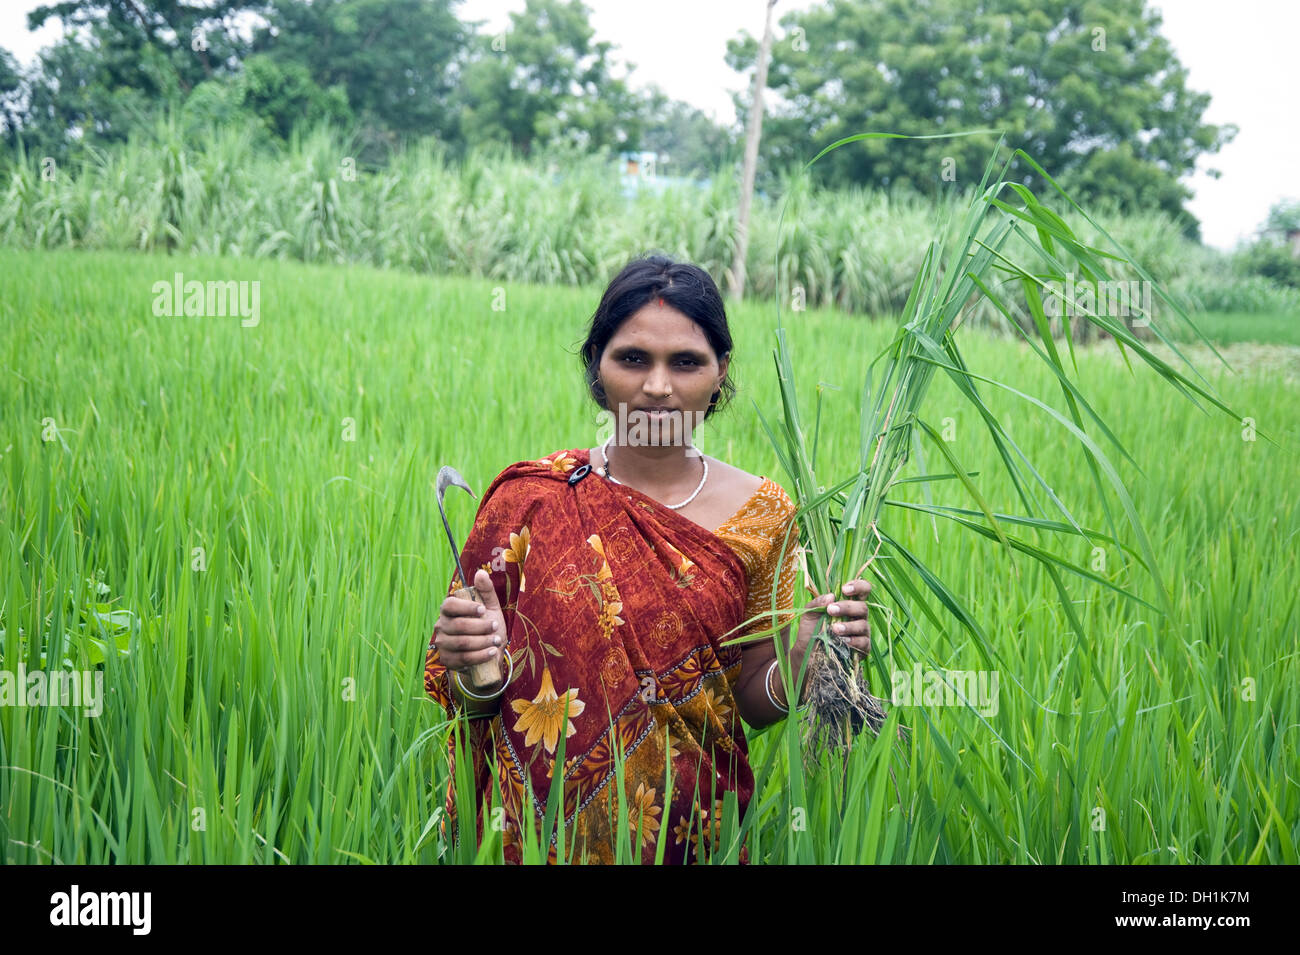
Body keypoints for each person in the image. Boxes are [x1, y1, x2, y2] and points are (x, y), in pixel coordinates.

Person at [424, 255, 872, 864]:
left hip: (694, 839)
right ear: (597, 367)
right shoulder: (530, 501)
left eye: (685, 361)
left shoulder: (764, 514)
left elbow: (747, 701)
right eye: (633, 358)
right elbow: (472, 696)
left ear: (720, 373)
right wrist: (474, 669)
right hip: (540, 840)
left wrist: (802, 659)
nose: (658, 385)